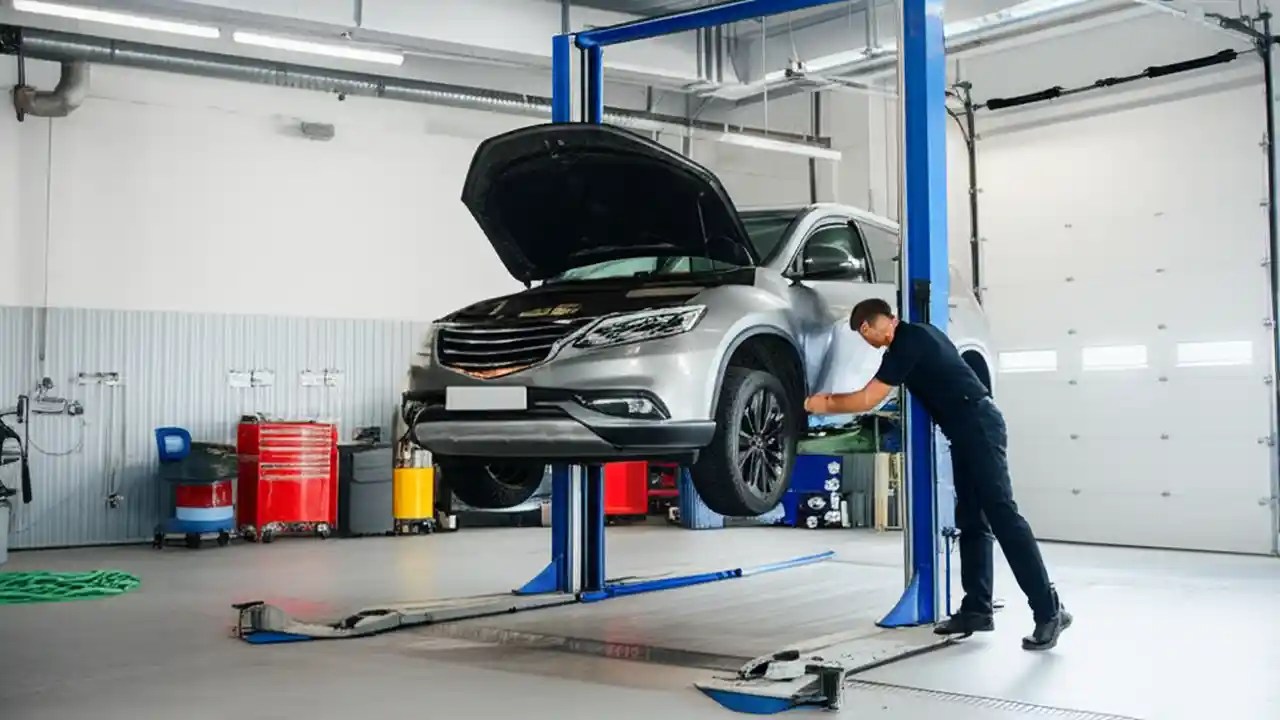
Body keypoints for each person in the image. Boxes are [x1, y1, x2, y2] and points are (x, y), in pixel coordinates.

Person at [804, 298, 1072, 651]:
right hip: (966, 430)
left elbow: (866, 399)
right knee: (972, 520)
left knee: (1003, 516)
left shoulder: (907, 343)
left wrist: (816, 403)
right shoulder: (919, 335)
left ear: (869, 328)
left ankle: (1049, 610)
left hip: (979, 425)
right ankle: (977, 609)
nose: (865, 341)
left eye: (863, 334)